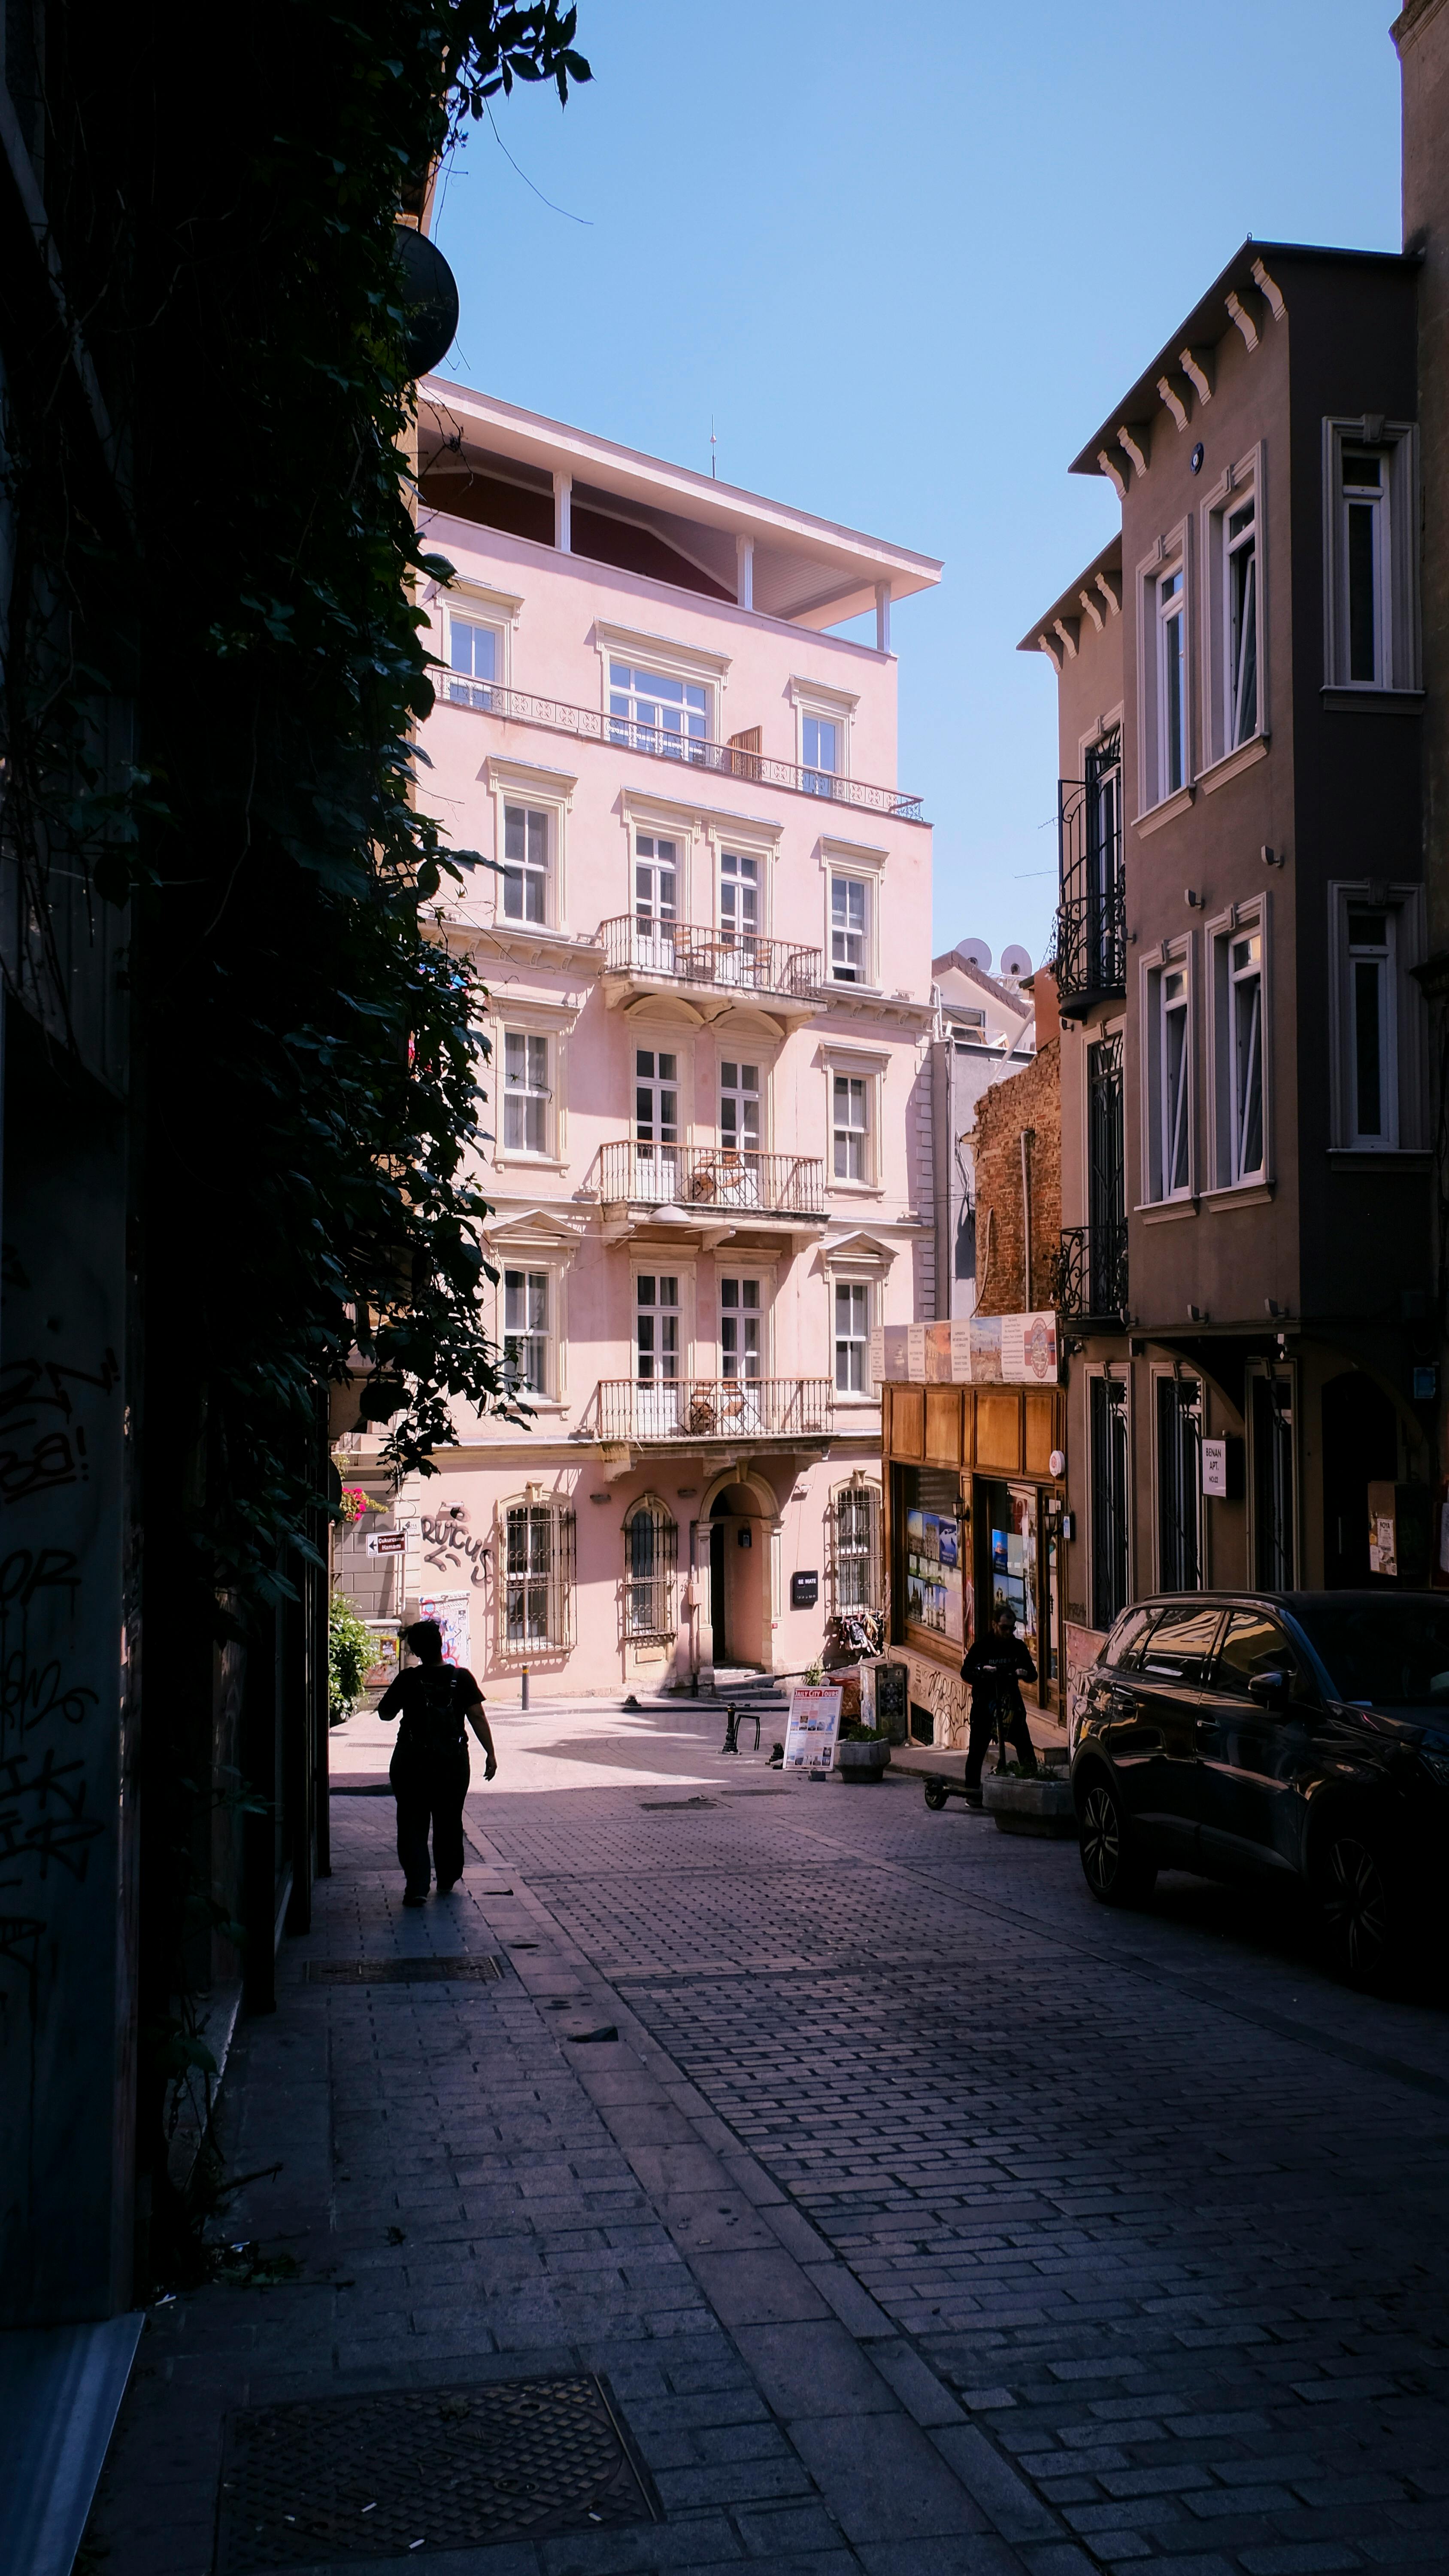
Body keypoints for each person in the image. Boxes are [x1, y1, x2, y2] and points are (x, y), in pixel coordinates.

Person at [376, 1619, 497, 1906]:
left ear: (416, 1650)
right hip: (452, 1765)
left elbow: (385, 1714)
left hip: (412, 1763)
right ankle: (447, 1878)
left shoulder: (407, 1679)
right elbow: (477, 1717)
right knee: (449, 1821)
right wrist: (490, 1753)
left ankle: (417, 1887)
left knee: (412, 1824)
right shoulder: (462, 1678)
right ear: (440, 1644)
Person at [960, 1603, 1039, 1808]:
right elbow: (966, 1672)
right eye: (1004, 1628)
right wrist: (981, 1670)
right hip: (986, 1706)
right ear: (994, 1625)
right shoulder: (982, 1647)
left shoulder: (1018, 1647)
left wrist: (1023, 1673)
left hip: (1011, 1708)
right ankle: (972, 1793)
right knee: (977, 1751)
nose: (1008, 1633)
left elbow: (1033, 1674)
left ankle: (1033, 1788)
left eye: (1011, 1629)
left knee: (1025, 1748)